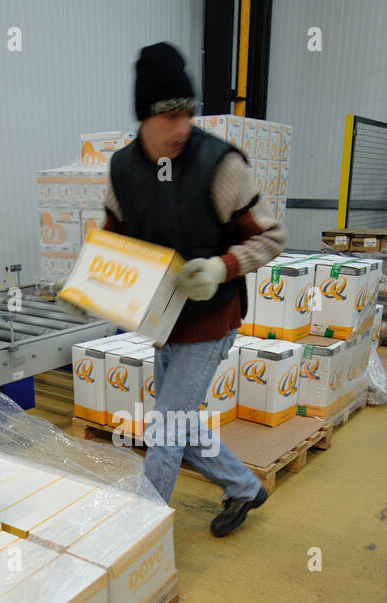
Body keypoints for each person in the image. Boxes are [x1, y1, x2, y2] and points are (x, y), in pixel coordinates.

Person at [101, 42, 286, 536]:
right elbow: (113, 243)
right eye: (169, 116)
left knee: (165, 428)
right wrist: (85, 280)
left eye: (188, 114)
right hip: (163, 320)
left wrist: (222, 267)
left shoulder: (218, 165)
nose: (183, 128)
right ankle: (244, 488)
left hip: (210, 318)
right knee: (177, 422)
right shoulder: (122, 171)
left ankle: (142, 533)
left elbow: (271, 236)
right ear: (144, 118)